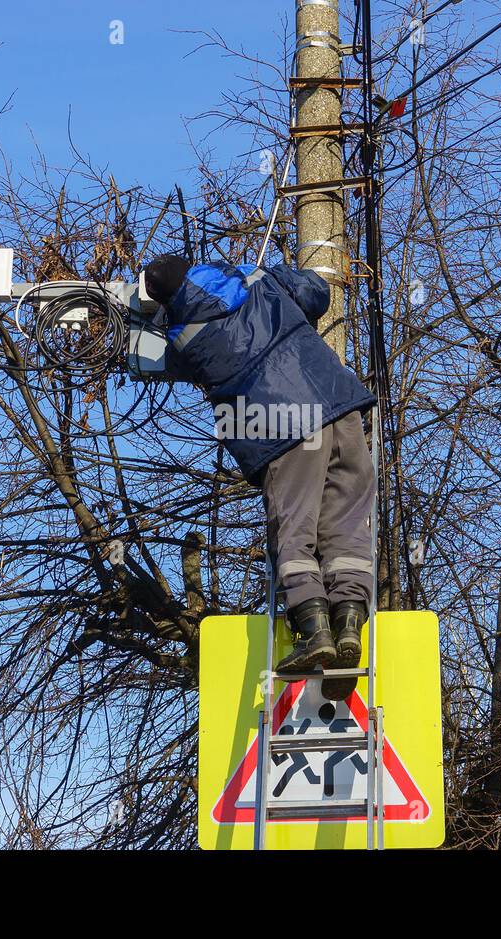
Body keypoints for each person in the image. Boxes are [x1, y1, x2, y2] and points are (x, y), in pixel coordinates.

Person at [142, 254, 376, 700]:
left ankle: (315, 630)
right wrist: (275, 277)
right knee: (346, 526)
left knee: (295, 529)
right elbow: (317, 294)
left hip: (285, 432)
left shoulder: (184, 339)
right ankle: (349, 622)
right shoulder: (256, 279)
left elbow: (160, 360)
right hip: (339, 405)